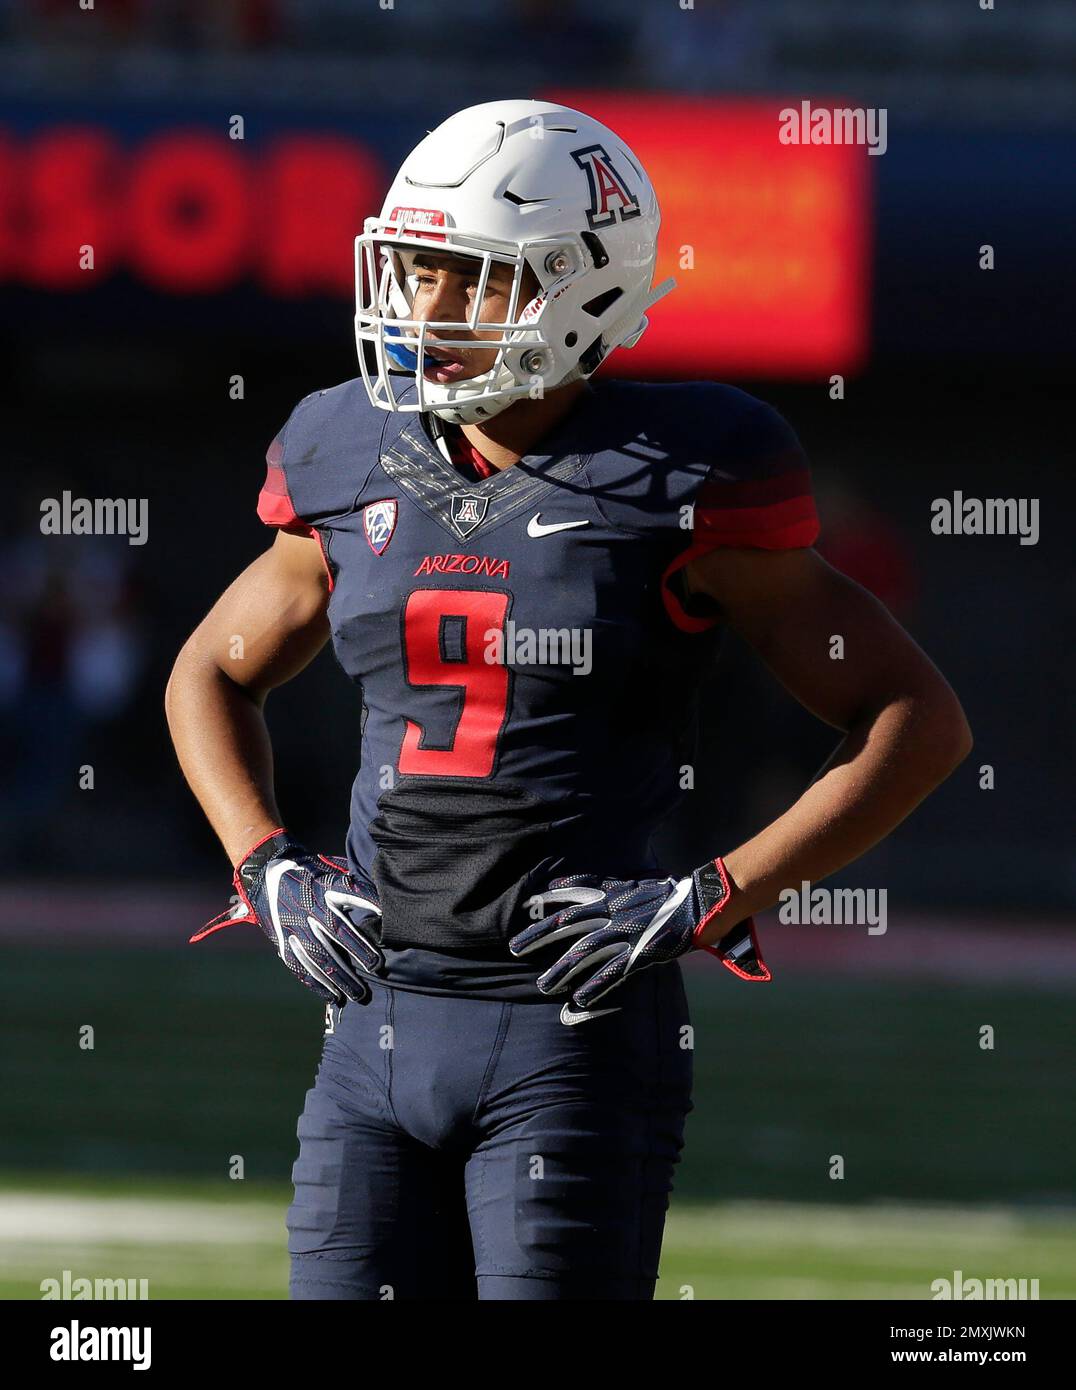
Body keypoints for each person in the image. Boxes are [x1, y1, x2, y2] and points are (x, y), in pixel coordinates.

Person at [165, 99, 971, 1301]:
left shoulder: (684, 470)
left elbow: (916, 717)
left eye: (464, 279)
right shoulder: (343, 446)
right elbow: (211, 672)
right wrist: (263, 861)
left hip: (571, 1029)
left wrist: (714, 895)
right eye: (411, 269)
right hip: (371, 1021)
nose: (420, 311)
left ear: (576, 289)